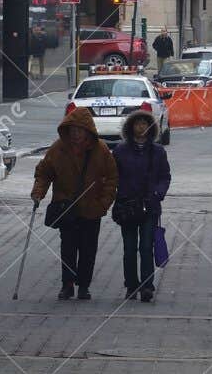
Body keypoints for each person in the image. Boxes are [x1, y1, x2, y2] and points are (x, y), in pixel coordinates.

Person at [31, 106, 118, 300]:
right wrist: (38, 193)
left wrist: (103, 203)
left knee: (88, 249)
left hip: (91, 208)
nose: (76, 134)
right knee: (68, 248)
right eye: (73, 130)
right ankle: (67, 284)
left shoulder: (101, 150)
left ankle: (84, 285)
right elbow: (44, 173)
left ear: (88, 131)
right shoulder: (58, 148)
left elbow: (112, 178)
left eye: (79, 130)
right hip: (66, 207)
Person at [111, 110, 171, 301]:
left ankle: (147, 286)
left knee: (146, 247)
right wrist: (118, 193)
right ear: (131, 127)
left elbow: (165, 176)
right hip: (127, 206)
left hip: (149, 207)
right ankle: (131, 285)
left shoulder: (158, 151)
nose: (141, 127)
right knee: (129, 248)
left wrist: (158, 193)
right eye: (137, 124)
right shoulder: (120, 151)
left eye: (145, 123)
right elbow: (113, 176)